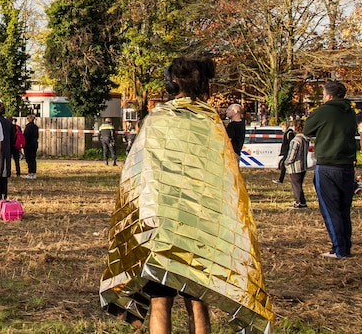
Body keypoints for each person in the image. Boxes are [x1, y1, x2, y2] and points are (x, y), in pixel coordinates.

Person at [101, 57, 272, 334]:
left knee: (160, 301)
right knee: (199, 301)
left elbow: (137, 175)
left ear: (171, 84)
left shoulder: (156, 120)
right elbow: (225, 180)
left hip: (162, 227)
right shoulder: (211, 121)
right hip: (203, 229)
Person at [303, 80, 359, 259]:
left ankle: (339, 249)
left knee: (330, 209)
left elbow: (307, 129)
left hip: (327, 165)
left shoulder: (324, 111)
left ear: (327, 95)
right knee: (344, 209)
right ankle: (345, 246)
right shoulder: (350, 112)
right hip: (347, 165)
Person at [0, 101, 16, 203]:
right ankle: (4, 194)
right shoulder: (8, 123)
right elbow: (13, 138)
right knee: (4, 173)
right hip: (6, 149)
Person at [285, 120, 310, 208]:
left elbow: (293, 154)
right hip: (303, 165)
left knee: (296, 185)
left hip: (295, 166)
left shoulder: (295, 140)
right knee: (299, 184)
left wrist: (287, 162)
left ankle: (299, 202)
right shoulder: (305, 139)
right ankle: (301, 201)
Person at [274, 119, 295, 184]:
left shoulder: (289, 133)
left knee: (284, 165)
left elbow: (291, 143)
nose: (282, 129)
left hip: (288, 151)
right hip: (287, 151)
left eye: (282, 127)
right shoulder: (287, 133)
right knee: (285, 165)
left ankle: (282, 180)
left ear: (286, 126)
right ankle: (283, 179)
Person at [22, 113, 40, 179]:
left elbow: (25, 136)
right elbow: (37, 136)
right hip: (34, 144)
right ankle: (34, 173)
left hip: (28, 145)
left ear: (29, 119)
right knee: (33, 159)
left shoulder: (28, 127)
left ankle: (30, 173)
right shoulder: (36, 127)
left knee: (29, 159)